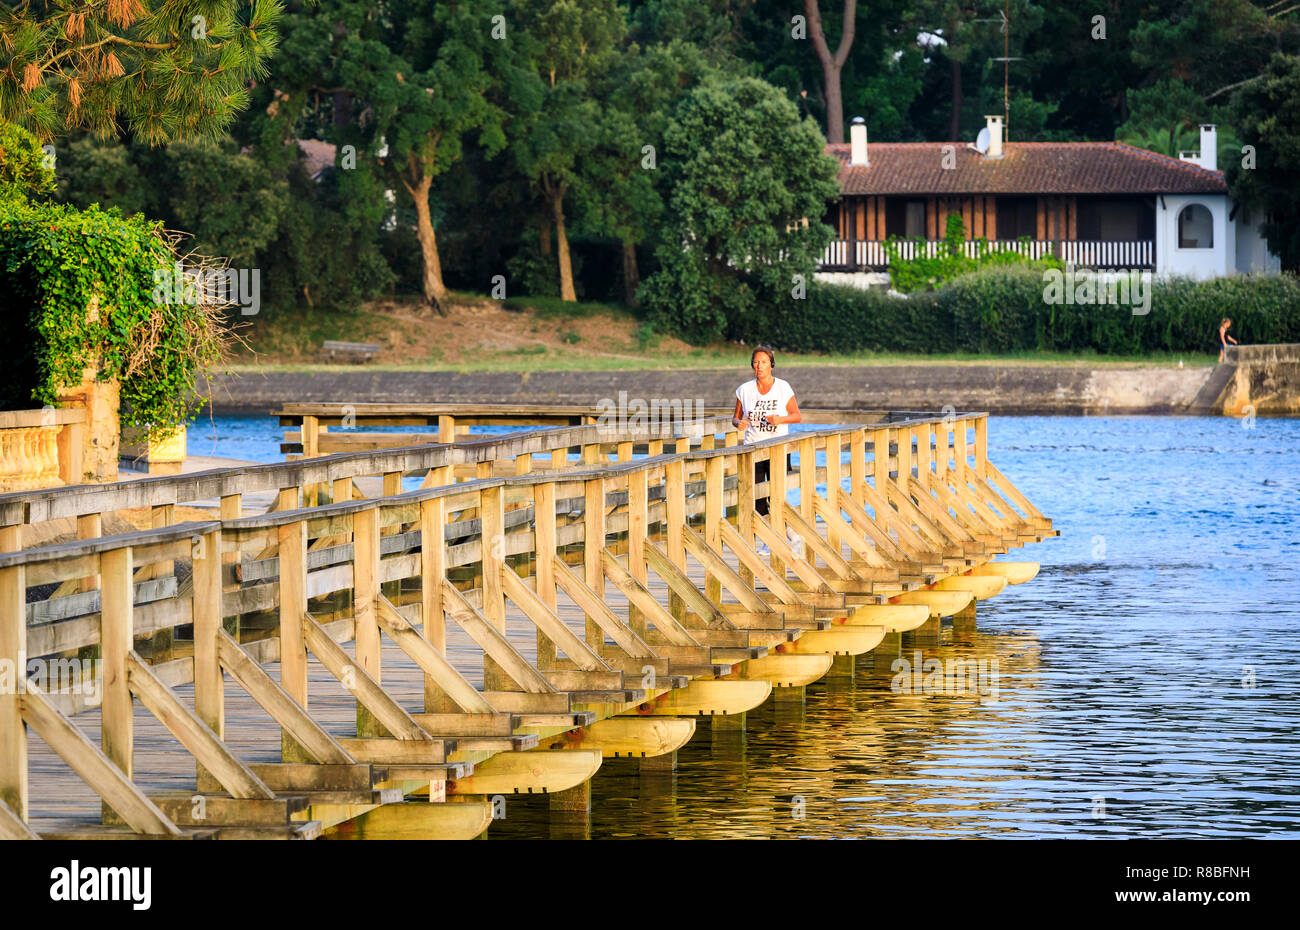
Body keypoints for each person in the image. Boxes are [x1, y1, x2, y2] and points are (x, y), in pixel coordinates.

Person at [732, 346, 803, 556]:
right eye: (755, 362)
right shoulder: (744, 390)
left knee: (776, 494)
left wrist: (780, 419)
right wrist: (739, 423)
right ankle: (771, 537)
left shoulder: (782, 387)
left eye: (763, 362)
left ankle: (788, 535)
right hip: (753, 447)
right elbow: (736, 417)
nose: (759, 366)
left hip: (777, 446)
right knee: (756, 497)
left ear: (771, 364)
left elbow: (797, 415)